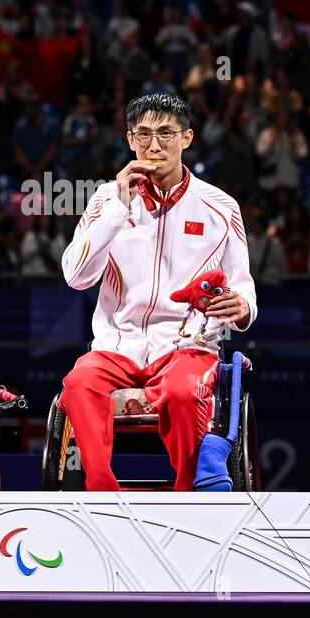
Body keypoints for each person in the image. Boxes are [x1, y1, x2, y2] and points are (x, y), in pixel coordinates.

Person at [58, 94, 258, 491]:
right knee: (78, 384)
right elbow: (76, 276)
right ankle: (103, 495)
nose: (155, 145)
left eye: (166, 133)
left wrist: (243, 306)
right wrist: (118, 208)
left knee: (184, 393)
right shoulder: (106, 200)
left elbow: (243, 288)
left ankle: (187, 496)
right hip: (117, 345)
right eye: (144, 135)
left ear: (187, 138)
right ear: (130, 140)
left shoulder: (220, 207)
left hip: (187, 346)